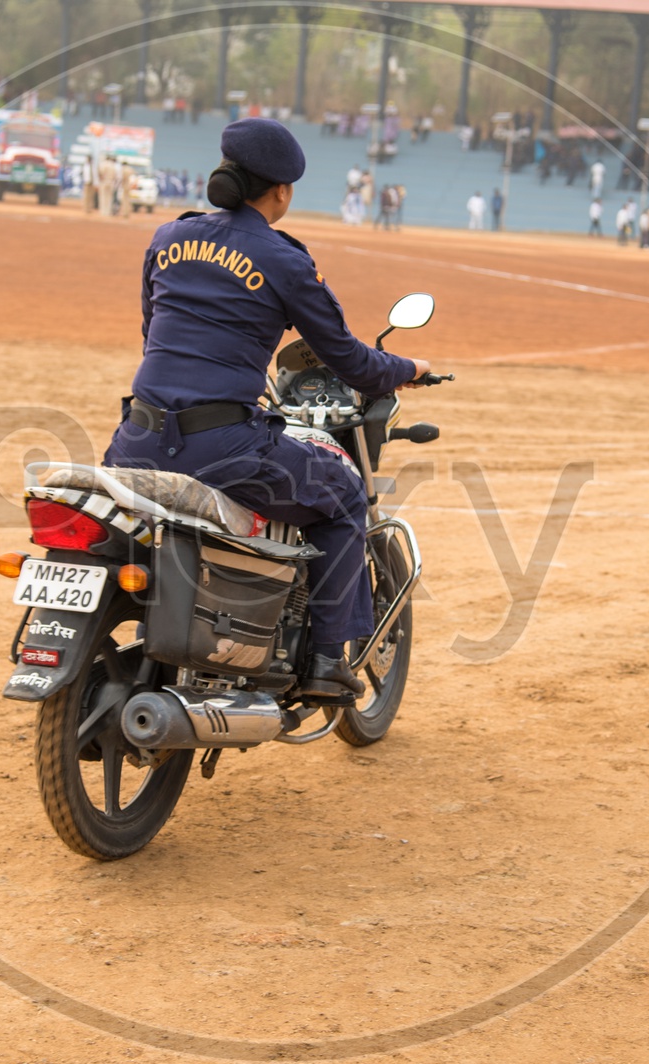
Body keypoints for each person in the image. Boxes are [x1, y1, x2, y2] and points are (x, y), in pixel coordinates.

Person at [101, 118, 432, 698]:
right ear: (281, 191)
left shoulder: (166, 238)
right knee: (344, 494)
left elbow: (154, 333)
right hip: (223, 448)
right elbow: (350, 360)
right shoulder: (284, 259)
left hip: (136, 438)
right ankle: (329, 663)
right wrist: (407, 369)